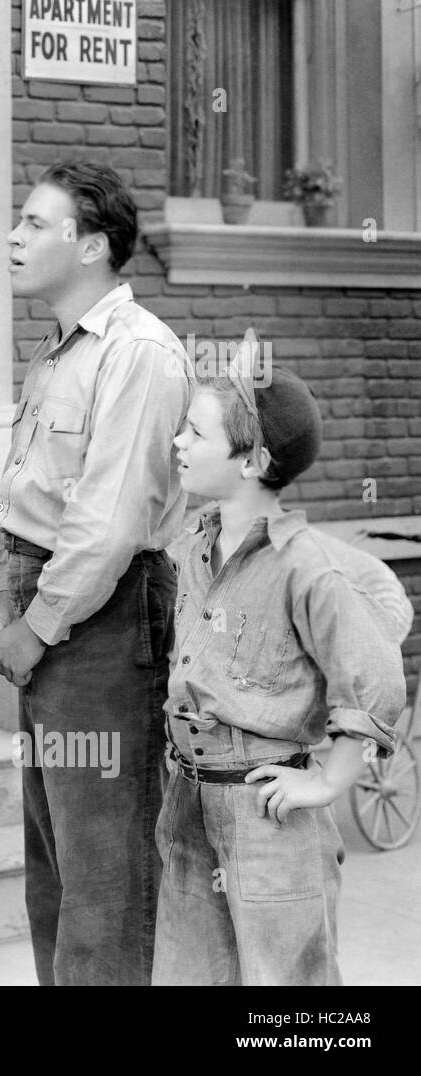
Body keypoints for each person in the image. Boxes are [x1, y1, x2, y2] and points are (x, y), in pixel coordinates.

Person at [0, 161, 190, 986]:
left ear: (93, 245)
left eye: (35, 223)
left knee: (104, 873)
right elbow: (23, 498)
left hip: (97, 622)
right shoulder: (60, 353)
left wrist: (36, 625)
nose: (14, 237)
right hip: (46, 605)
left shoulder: (138, 355)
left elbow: (106, 526)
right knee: (53, 867)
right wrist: (10, 603)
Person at [154, 359, 408, 986]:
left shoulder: (305, 568)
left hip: (268, 814)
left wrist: (325, 783)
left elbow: (372, 674)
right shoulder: (192, 548)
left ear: (252, 463)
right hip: (187, 800)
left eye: (195, 433)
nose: (177, 443)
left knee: (288, 996)